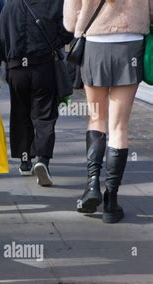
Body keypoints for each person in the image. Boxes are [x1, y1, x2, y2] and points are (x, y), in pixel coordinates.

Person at [64, 0, 153, 223]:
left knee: (96, 118)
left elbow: (70, 21)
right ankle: (111, 201)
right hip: (131, 43)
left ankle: (92, 183)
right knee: (119, 126)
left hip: (95, 42)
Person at [0, 0, 73, 186]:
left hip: (16, 69)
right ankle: (43, 159)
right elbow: (67, 30)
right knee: (44, 115)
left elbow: (0, 38)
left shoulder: (10, 5)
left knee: (20, 113)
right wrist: (56, 42)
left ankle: (25, 160)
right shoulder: (54, 3)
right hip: (44, 66)